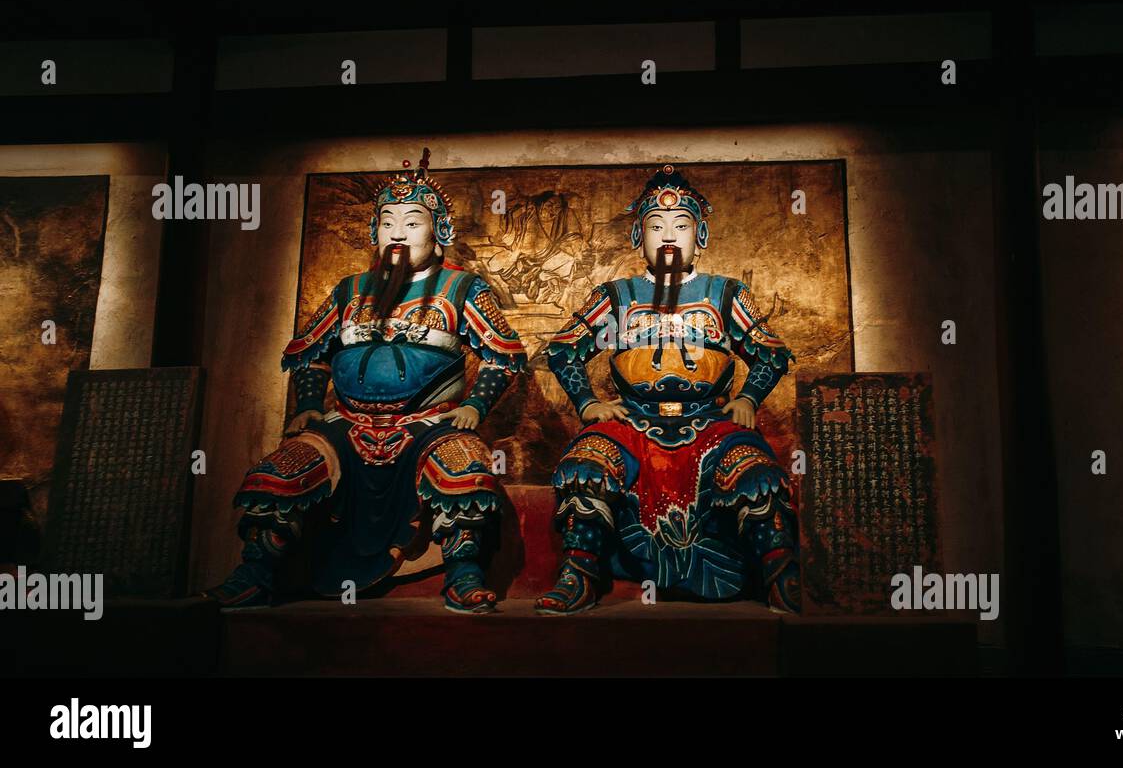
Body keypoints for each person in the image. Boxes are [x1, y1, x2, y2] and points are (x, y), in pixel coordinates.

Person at [202, 149, 526, 613]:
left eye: (412, 220)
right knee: (277, 473)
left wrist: (475, 405)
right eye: (387, 220)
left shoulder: (462, 288)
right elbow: (310, 352)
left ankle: (463, 574)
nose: (398, 230)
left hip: (429, 425)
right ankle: (254, 574)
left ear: (439, 234)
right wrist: (308, 405)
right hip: (345, 426)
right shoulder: (349, 289)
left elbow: (504, 354)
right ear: (374, 232)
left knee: (467, 471)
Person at [537, 165, 800, 615]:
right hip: (632, 421)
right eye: (656, 226)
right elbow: (563, 350)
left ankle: (780, 574)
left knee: (755, 471)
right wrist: (589, 404)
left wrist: (746, 399)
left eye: (682, 225)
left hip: (710, 424)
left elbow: (771, 352)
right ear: (639, 236)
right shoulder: (617, 295)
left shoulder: (726, 294)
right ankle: (578, 572)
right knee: (585, 464)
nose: (669, 235)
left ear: (701, 235)